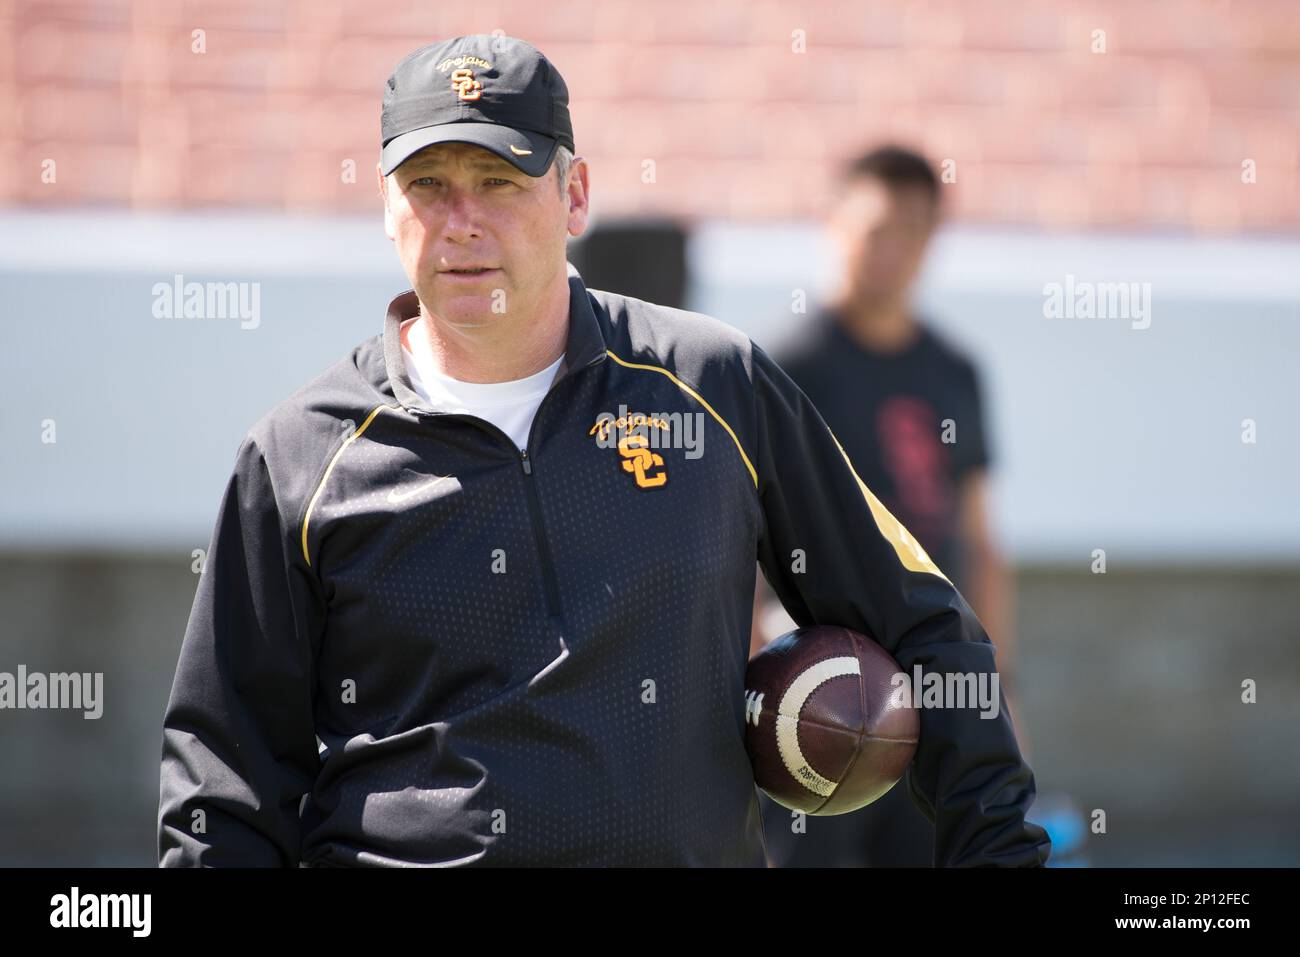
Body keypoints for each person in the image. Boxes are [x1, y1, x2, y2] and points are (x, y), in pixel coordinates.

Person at [157, 35, 1049, 868]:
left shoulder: (714, 384)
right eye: (428, 184)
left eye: (501, 179)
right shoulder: (297, 455)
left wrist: (999, 847)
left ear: (574, 195)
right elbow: (222, 777)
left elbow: (923, 623)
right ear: (388, 207)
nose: (461, 220)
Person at [753, 145, 1025, 867]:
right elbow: (745, 536)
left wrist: (1001, 687)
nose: (892, 250)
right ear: (833, 224)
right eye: (875, 228)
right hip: (826, 683)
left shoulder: (954, 369)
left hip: (938, 671)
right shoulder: (784, 364)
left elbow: (978, 536)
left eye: (912, 231)